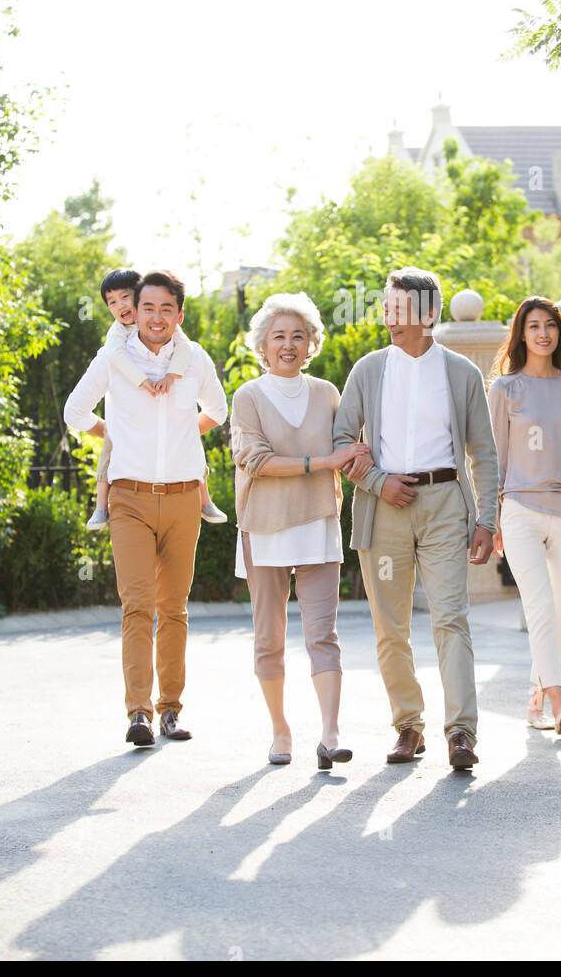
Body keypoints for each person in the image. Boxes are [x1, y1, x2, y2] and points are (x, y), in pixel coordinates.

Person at [333, 267, 498, 770]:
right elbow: (341, 442)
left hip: (446, 504)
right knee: (391, 625)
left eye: (400, 310)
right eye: (386, 308)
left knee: (451, 618)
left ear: (430, 314)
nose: (389, 318)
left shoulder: (462, 373)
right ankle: (409, 725)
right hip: (384, 508)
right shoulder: (367, 370)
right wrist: (379, 482)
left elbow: (484, 453)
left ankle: (461, 733)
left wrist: (486, 519)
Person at [64, 269, 228, 747]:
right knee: (137, 606)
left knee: (173, 609)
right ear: (136, 309)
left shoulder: (194, 359)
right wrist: (113, 430)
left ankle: (170, 711)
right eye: (148, 307)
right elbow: (75, 412)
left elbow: (217, 410)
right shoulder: (113, 358)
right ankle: (137, 712)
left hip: (182, 500)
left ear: (179, 313)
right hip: (130, 499)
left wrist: (178, 433)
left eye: (166, 308)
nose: (156, 317)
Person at [230, 293, 369, 769]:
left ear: (311, 343)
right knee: (268, 637)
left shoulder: (328, 393)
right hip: (264, 528)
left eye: (298, 336)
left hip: (318, 524)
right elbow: (255, 460)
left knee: (322, 634)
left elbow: (349, 449)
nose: (288, 345)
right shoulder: (247, 397)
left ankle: (330, 733)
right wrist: (323, 462)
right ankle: (280, 730)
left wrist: (358, 458)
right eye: (279, 337)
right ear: (263, 346)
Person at [487, 296, 561, 735]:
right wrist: (491, 519)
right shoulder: (504, 389)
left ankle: (535, 695)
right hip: (519, 511)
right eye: (533, 326)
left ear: (559, 332)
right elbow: (493, 457)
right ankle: (557, 700)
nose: (543, 333)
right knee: (539, 607)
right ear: (521, 334)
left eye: (550, 325)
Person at [87, 268, 227, 531]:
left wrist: (173, 379)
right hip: (130, 484)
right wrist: (139, 383)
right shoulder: (116, 336)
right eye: (112, 302)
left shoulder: (171, 334)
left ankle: (205, 500)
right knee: (108, 457)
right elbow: (115, 358)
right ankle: (100, 507)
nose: (120, 307)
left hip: (176, 492)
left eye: (125, 298)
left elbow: (186, 349)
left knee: (191, 448)